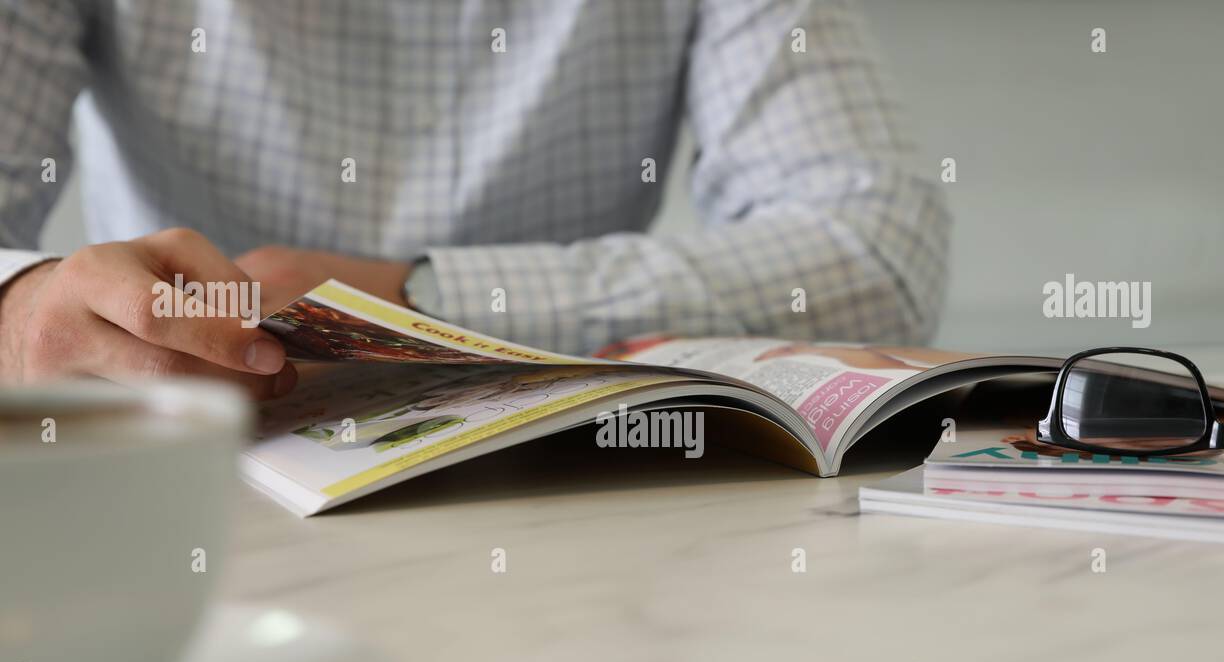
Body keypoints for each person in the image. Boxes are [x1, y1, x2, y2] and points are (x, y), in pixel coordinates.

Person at [0, 0, 949, 400]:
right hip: (183, 489)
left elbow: (872, 254)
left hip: (591, 507)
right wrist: (23, 308)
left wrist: (412, 301)